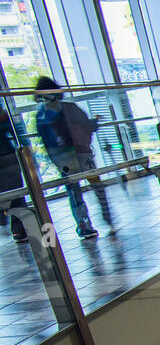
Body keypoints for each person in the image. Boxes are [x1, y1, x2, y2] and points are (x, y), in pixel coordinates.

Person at [34, 77, 110, 239]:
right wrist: (95, 122)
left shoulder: (41, 115)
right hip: (82, 153)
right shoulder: (69, 108)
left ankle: (83, 224)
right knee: (96, 185)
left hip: (63, 159)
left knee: (74, 192)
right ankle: (105, 216)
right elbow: (88, 126)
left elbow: (47, 142)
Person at [0, 114, 29, 243]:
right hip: (7, 156)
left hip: (7, 157)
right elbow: (14, 129)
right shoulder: (2, 115)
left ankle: (7, 219)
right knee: (17, 193)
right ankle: (19, 229)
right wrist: (25, 146)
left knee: (11, 193)